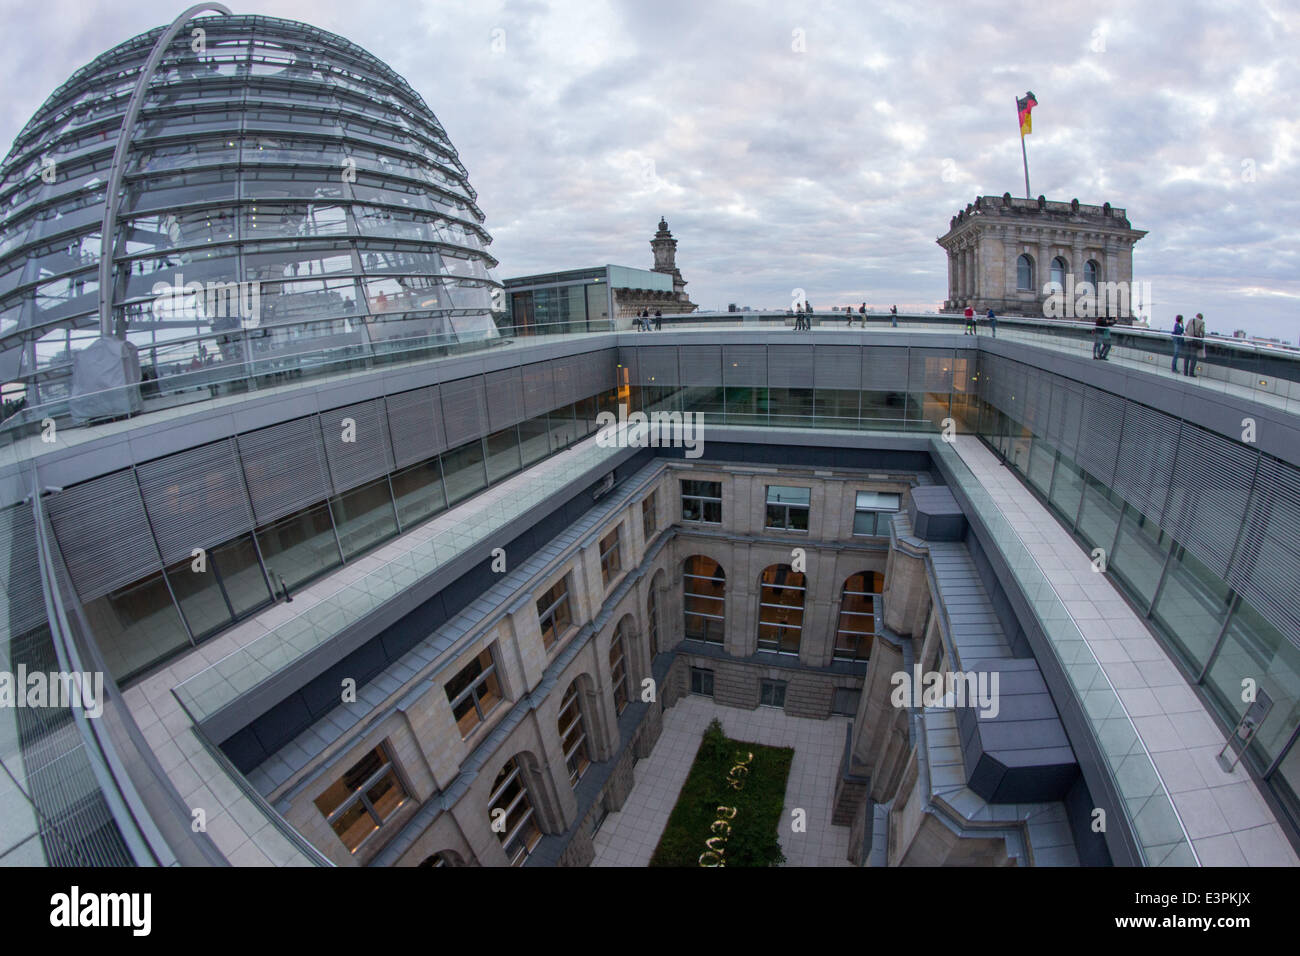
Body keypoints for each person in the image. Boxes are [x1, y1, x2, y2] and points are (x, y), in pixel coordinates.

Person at [1185, 312, 1205, 377]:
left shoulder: (1190, 320)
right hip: (1194, 341)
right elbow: (1202, 332)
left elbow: (1186, 329)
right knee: (1193, 358)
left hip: (1187, 339)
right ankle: (1191, 373)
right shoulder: (1202, 322)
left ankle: (1185, 372)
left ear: (1196, 316)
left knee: (1187, 356)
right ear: (1201, 318)